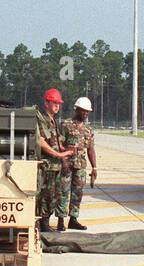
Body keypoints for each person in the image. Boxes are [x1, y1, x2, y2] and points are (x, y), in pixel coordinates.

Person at [35, 88, 72, 232]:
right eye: (54, 103)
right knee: (45, 195)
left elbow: (54, 141)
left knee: (53, 196)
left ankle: (46, 222)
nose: (57, 106)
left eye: (58, 103)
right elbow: (41, 141)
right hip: (47, 165)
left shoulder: (53, 121)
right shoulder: (41, 119)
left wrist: (64, 149)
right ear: (46, 103)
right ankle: (43, 223)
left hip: (55, 166)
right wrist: (58, 155)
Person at [59, 96, 98, 231]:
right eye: (83, 111)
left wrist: (94, 167)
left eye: (88, 112)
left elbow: (91, 149)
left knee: (77, 193)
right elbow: (59, 144)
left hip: (80, 167)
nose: (86, 114)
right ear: (77, 109)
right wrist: (63, 160)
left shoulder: (88, 129)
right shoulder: (66, 124)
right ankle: (60, 220)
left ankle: (73, 219)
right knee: (63, 192)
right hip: (66, 165)